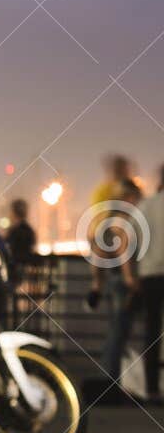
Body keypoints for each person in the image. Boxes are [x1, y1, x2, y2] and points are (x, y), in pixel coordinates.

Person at [89, 174, 143, 384]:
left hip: (110, 282)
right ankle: (111, 379)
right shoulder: (123, 220)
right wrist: (130, 278)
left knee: (114, 330)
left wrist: (97, 284)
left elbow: (97, 254)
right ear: (129, 197)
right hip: (123, 282)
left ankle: (109, 377)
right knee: (119, 332)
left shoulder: (105, 220)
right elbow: (123, 250)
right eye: (136, 197)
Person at [136, 165, 164, 404]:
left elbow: (128, 240)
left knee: (151, 331)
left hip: (150, 276)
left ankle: (152, 388)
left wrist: (130, 275)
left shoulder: (146, 206)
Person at [5, 198, 36, 266]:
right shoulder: (30, 230)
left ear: (14, 213)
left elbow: (7, 247)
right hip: (27, 266)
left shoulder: (14, 231)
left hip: (15, 266)